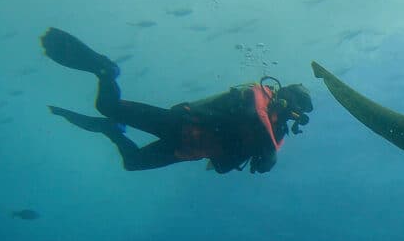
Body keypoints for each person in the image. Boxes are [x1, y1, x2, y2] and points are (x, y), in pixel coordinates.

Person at [40, 27, 313, 174]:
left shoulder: (277, 136)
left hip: (184, 150)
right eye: (295, 101)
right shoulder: (262, 94)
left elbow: (236, 165)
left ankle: (110, 130)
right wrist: (269, 151)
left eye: (298, 108)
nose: (294, 109)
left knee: (132, 162)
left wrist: (266, 159)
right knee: (107, 106)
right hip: (180, 123)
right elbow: (255, 113)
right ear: (284, 94)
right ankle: (105, 70)